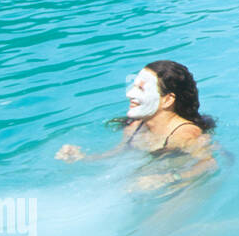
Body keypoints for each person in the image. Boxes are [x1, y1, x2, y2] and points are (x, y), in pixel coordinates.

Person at [57, 59, 218, 195]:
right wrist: (83, 157)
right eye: (133, 87)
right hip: (144, 182)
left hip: (180, 188)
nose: (129, 94)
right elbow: (118, 153)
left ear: (168, 100)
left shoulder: (185, 134)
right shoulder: (135, 126)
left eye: (140, 89)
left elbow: (208, 164)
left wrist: (168, 178)